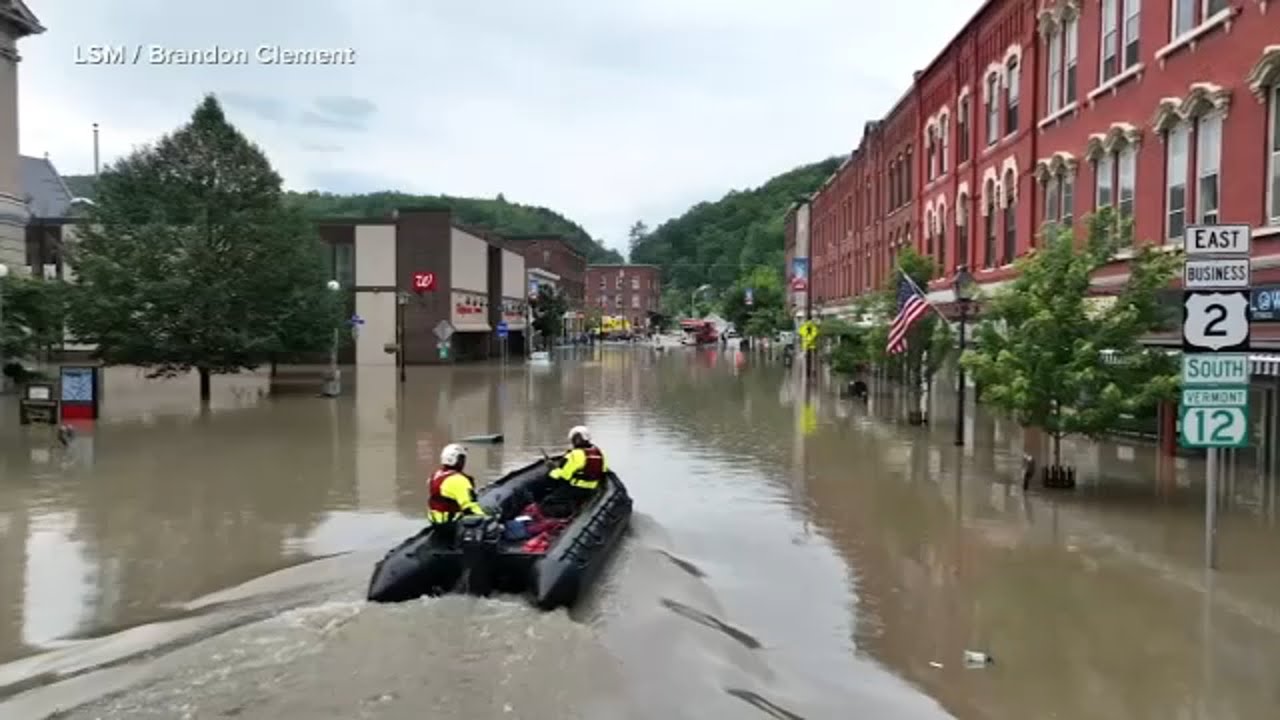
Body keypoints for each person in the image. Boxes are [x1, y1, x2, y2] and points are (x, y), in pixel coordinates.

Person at [544, 425, 608, 515]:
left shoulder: (574, 455)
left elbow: (564, 476)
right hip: (593, 488)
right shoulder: (598, 452)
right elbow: (604, 471)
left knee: (547, 502)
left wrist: (551, 469)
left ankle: (567, 513)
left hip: (576, 489)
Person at [427, 443, 488, 527]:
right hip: (451, 524)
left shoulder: (436, 475)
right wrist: (487, 519)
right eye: (461, 459)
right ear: (453, 459)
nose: (463, 462)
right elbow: (470, 507)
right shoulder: (458, 480)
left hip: (435, 522)